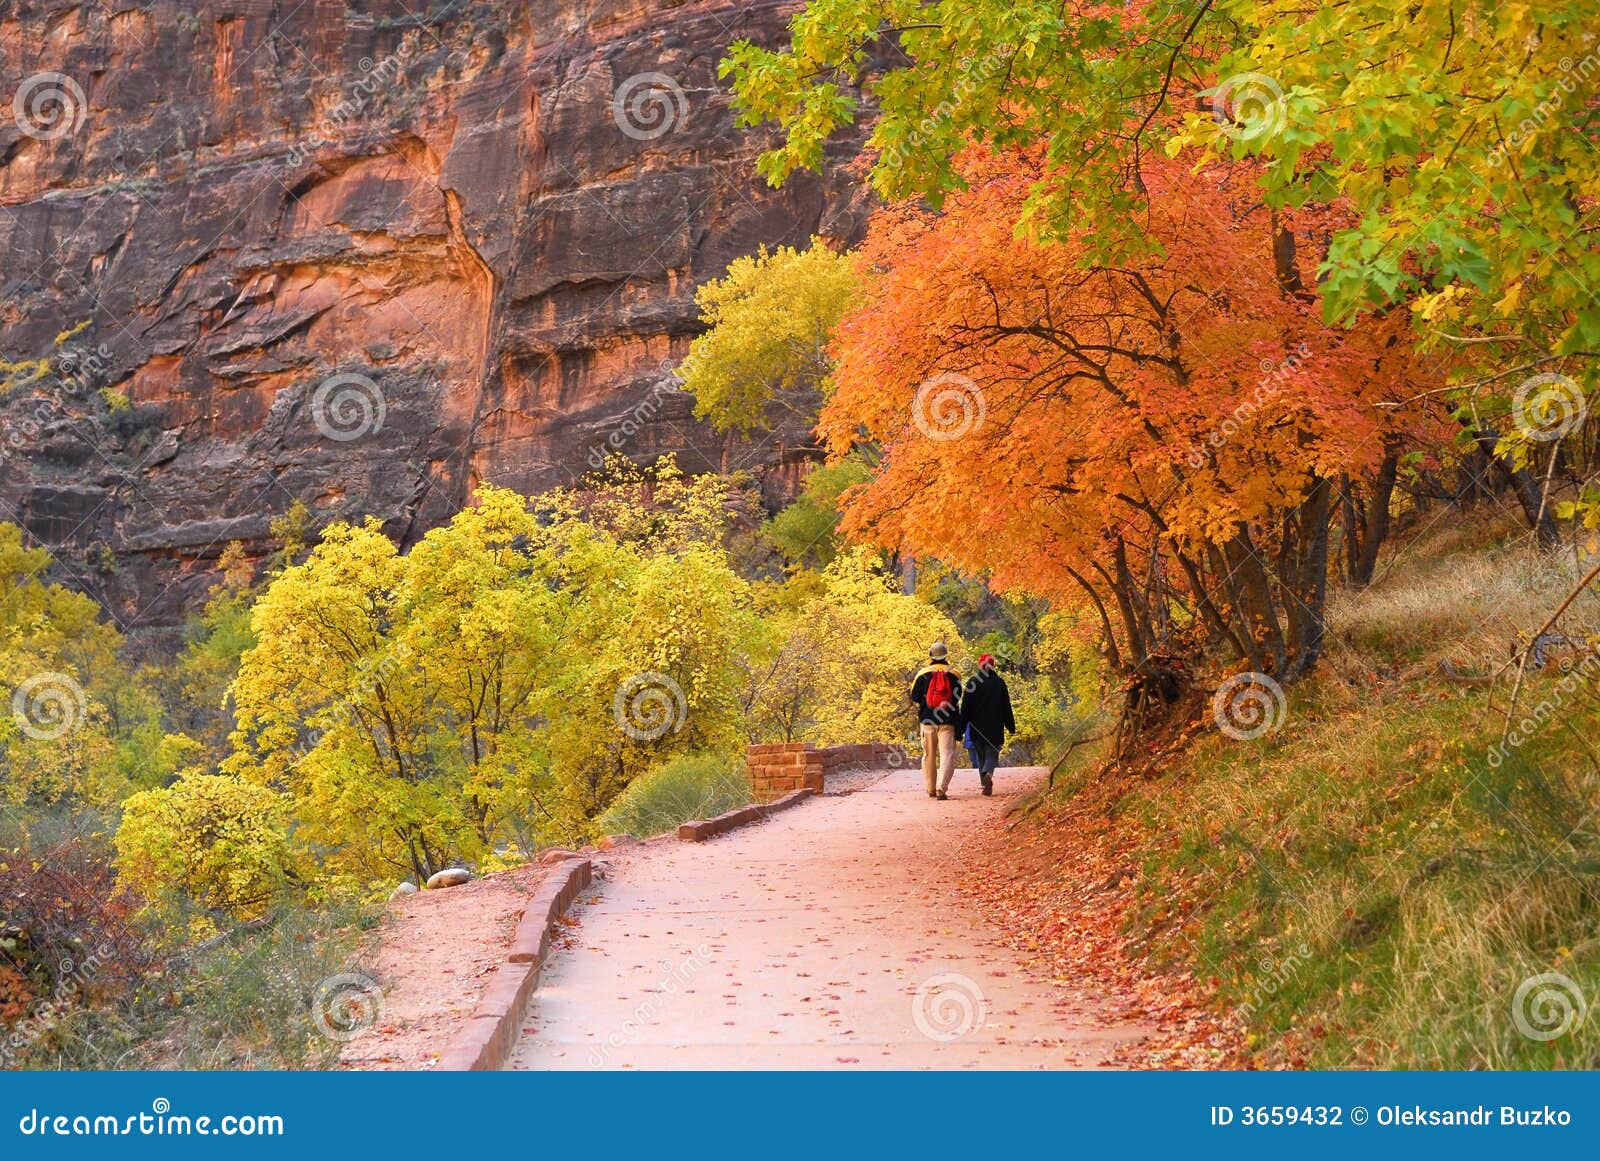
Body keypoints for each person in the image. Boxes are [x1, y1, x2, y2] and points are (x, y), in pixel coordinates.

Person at [909, 641, 961, 800]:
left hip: (928, 721)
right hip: (948, 721)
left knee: (929, 755)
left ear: (931, 656)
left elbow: (914, 697)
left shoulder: (922, 674)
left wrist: (928, 700)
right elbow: (958, 697)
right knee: (947, 755)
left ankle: (931, 788)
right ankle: (941, 788)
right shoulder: (955, 674)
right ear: (946, 655)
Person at [961, 654, 1016, 796]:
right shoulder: (999, 683)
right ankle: (988, 775)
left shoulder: (973, 682)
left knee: (981, 756)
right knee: (992, 753)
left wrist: (960, 728)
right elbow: (1006, 706)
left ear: (980, 665)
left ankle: (986, 785)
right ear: (993, 666)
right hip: (995, 726)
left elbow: (965, 708)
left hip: (976, 727)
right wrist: (1011, 725)